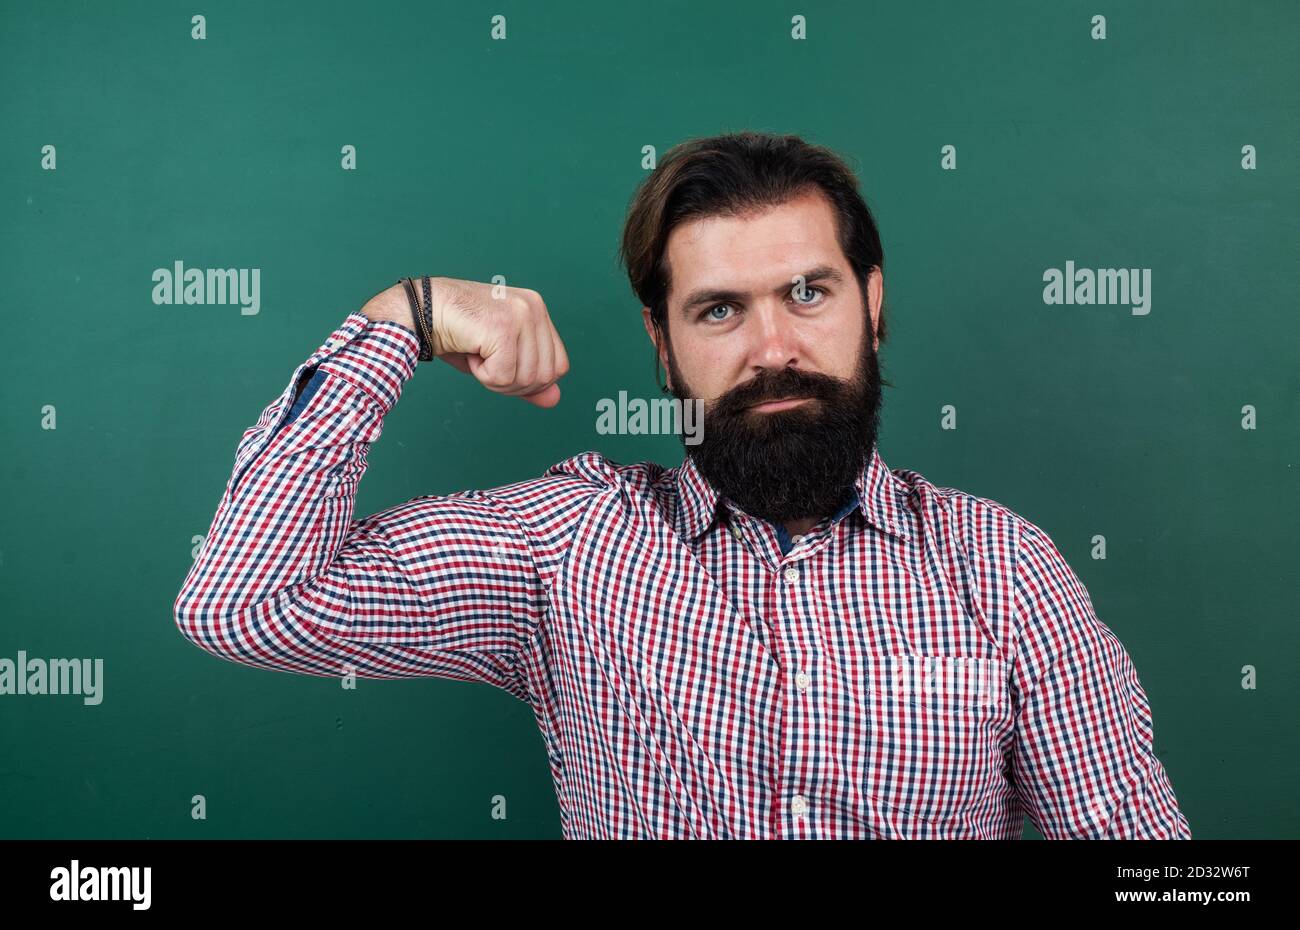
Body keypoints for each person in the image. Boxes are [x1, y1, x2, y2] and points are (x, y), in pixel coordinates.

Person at [173, 131, 1190, 840]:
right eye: (717, 312)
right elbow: (243, 604)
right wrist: (404, 316)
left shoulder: (1005, 570)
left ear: (871, 304)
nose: (772, 347)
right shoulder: (567, 545)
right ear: (663, 347)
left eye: (807, 292)